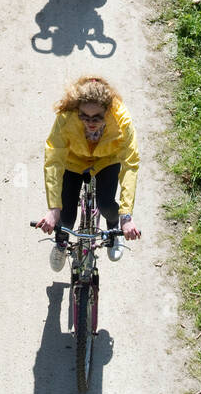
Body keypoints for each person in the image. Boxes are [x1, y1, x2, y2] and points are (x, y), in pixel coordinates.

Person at [35, 76, 141, 271]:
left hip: (106, 160)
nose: (90, 122)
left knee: (107, 205)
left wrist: (126, 215)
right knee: (65, 217)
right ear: (77, 109)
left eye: (97, 117)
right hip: (73, 162)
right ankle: (61, 241)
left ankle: (112, 229)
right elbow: (53, 158)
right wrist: (53, 208)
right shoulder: (66, 118)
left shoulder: (122, 120)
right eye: (84, 116)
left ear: (108, 111)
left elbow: (130, 163)